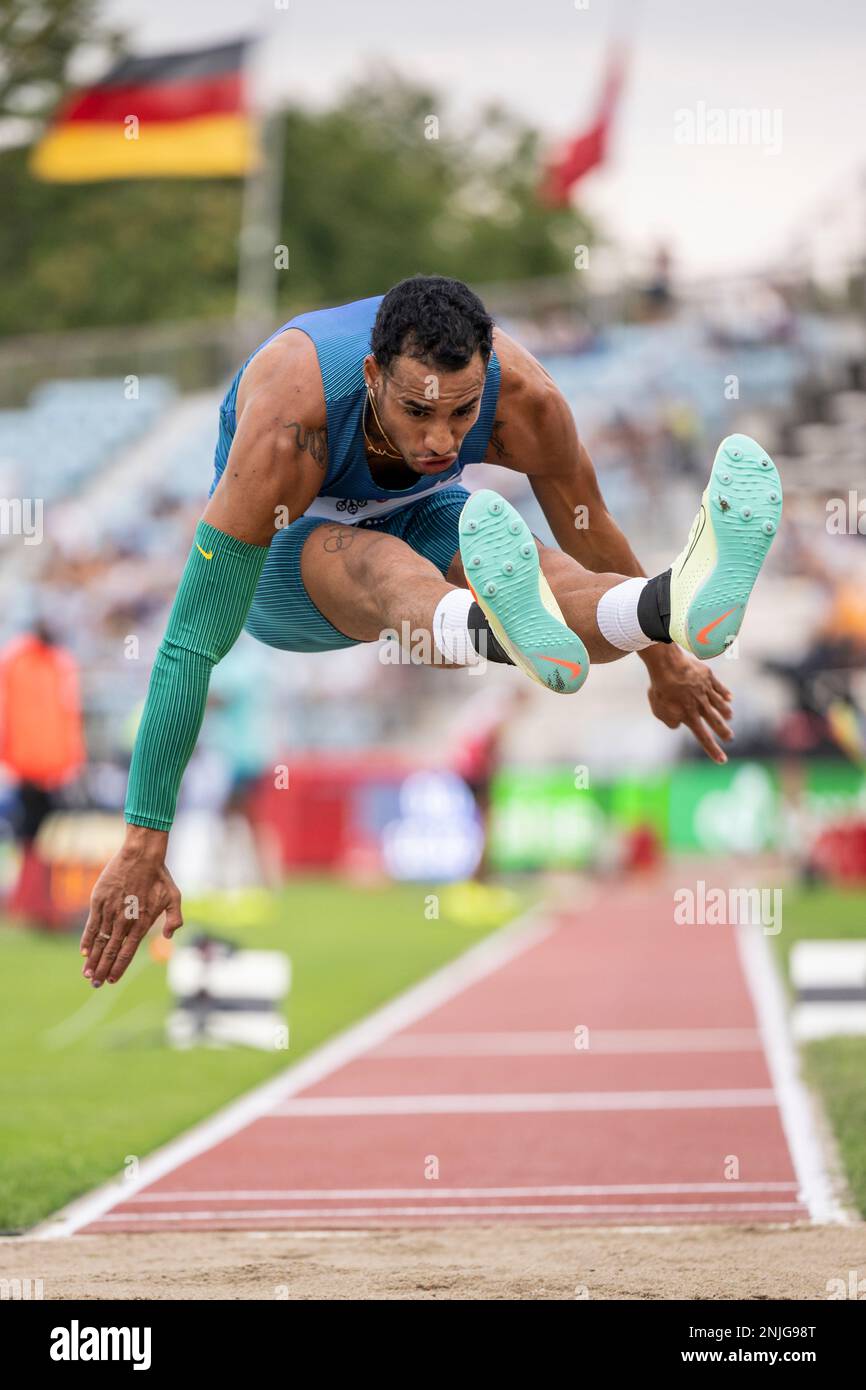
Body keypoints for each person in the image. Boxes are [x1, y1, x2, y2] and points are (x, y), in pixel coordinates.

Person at [81, 274, 782, 986]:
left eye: (462, 412)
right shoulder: (292, 417)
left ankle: (671, 600)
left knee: (544, 572)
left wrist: (666, 665)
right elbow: (190, 642)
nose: (442, 438)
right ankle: (496, 623)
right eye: (417, 410)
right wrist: (143, 841)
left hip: (427, 515)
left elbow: (588, 526)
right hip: (289, 568)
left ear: (487, 379)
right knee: (381, 562)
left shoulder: (525, 398)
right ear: (372, 376)